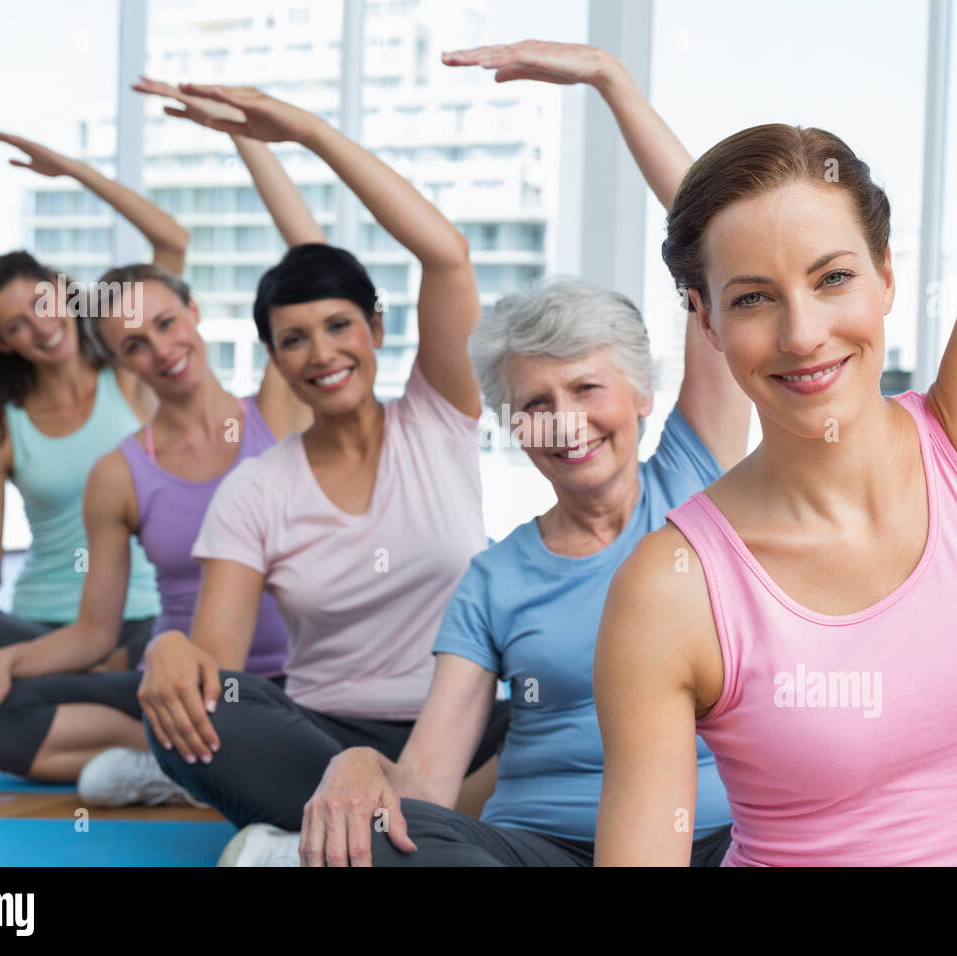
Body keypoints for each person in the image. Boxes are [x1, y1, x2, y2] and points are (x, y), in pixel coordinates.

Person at [595, 0, 957, 865]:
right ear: (708, 324)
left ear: (887, 279)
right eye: (752, 297)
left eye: (832, 278)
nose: (801, 334)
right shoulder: (672, 588)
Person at [266, 40, 751, 868]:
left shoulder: (695, 479)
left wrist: (612, 84)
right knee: (382, 845)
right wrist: (353, 764)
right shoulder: (494, 578)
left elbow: (718, 240)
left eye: (587, 390)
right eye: (535, 403)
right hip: (535, 846)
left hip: (708, 839)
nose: (565, 422)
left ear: (640, 394)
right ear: (512, 425)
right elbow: (425, 782)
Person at [132, 81, 510, 838]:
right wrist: (168, 650)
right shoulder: (256, 490)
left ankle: (330, 840)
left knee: (582, 719)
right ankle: (410, 837)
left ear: (374, 327)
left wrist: (306, 131)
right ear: (274, 358)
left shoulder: (437, 417)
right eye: (294, 340)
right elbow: (219, 666)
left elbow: (448, 255)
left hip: (465, 732)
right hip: (319, 737)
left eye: (339, 325)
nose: (322, 353)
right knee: (191, 718)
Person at [0, 85, 315, 801]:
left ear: (195, 314)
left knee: (256, 719)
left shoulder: (273, 409)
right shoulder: (121, 470)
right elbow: (91, 633)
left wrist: (244, 136)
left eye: (169, 325)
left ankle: (191, 766)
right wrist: (6, 662)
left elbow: (311, 255)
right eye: (135, 345)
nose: (162, 351)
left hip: (290, 686)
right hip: (175, 682)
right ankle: (178, 767)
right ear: (122, 359)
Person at [0, 132, 174, 672]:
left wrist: (77, 171)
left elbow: (170, 243)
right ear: (2, 342)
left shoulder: (128, 375)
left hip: (140, 614)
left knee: (21, 705)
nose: (42, 327)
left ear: (61, 288)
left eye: (42, 301)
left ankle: (63, 682)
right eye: (17, 324)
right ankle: (85, 680)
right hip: (40, 621)